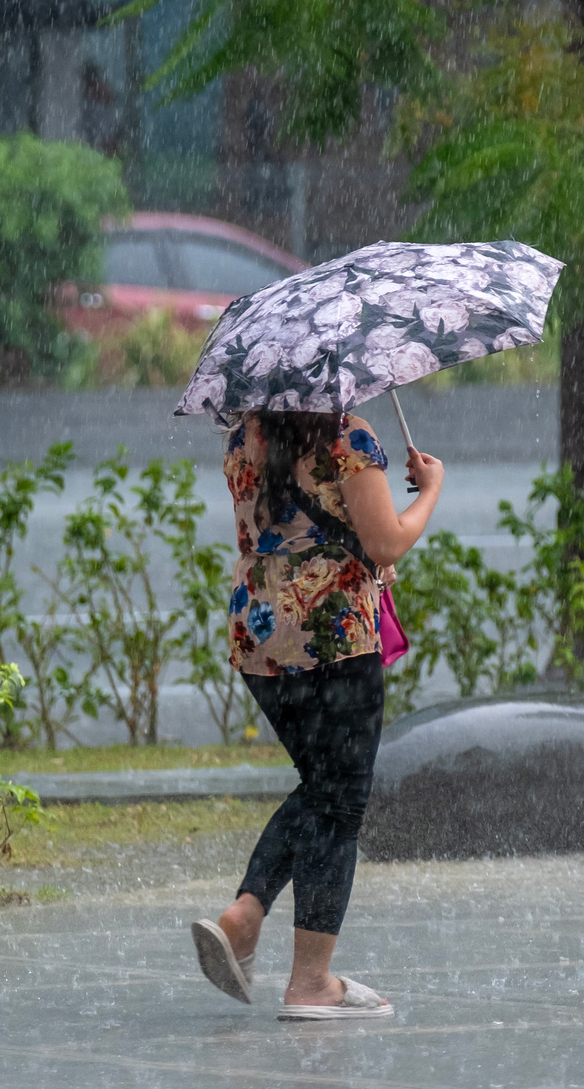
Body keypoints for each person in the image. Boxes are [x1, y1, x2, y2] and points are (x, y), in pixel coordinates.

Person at [189, 407, 444, 1021]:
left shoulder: (243, 434)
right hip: (331, 635)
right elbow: (386, 541)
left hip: (261, 633)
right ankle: (310, 982)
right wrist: (430, 491)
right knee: (341, 798)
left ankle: (245, 915)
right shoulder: (346, 436)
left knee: (323, 786)